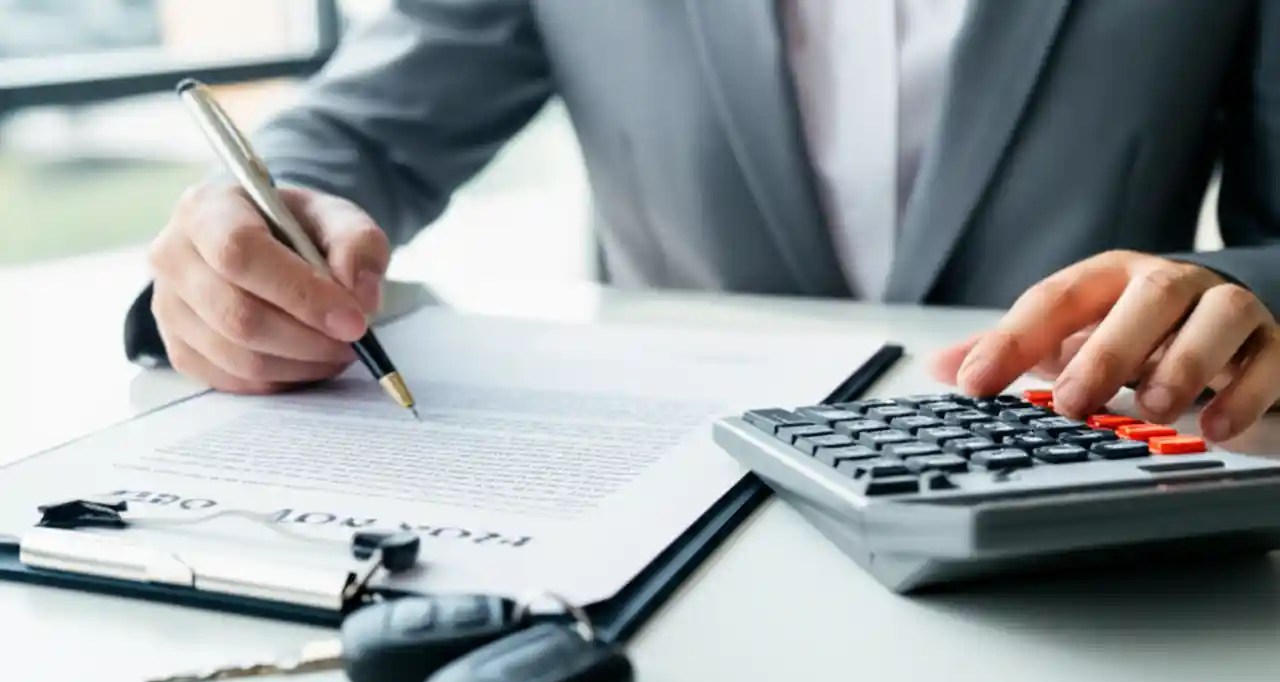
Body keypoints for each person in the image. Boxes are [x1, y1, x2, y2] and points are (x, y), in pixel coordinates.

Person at [129, 0, 1280, 441]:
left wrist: (1247, 305)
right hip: (656, 509)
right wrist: (250, 235)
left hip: (1085, 497)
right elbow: (359, 135)